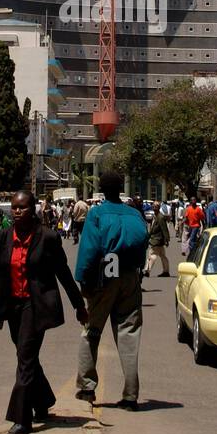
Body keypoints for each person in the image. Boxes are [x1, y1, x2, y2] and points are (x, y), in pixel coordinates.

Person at [0, 191, 86, 434]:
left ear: (33, 210)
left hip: (36, 306)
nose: (17, 211)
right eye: (14, 208)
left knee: (25, 360)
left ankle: (21, 419)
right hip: (13, 307)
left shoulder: (48, 238)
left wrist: (78, 305)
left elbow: (63, 273)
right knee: (25, 355)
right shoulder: (3, 236)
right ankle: (42, 401)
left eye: (22, 207)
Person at [74, 172, 148, 410]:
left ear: (102, 190)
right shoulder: (135, 214)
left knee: (92, 329)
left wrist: (83, 280)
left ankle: (87, 386)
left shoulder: (96, 213)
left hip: (106, 273)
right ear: (120, 190)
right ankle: (131, 395)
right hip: (130, 276)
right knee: (129, 333)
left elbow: (89, 249)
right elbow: (143, 244)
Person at [144, 203, 172, 278]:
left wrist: (167, 239)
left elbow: (164, 229)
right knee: (163, 256)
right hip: (157, 240)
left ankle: (147, 270)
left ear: (159, 208)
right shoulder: (155, 216)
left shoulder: (160, 217)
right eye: (153, 206)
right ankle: (166, 271)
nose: (154, 208)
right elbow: (152, 228)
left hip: (157, 240)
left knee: (152, 255)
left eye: (156, 207)